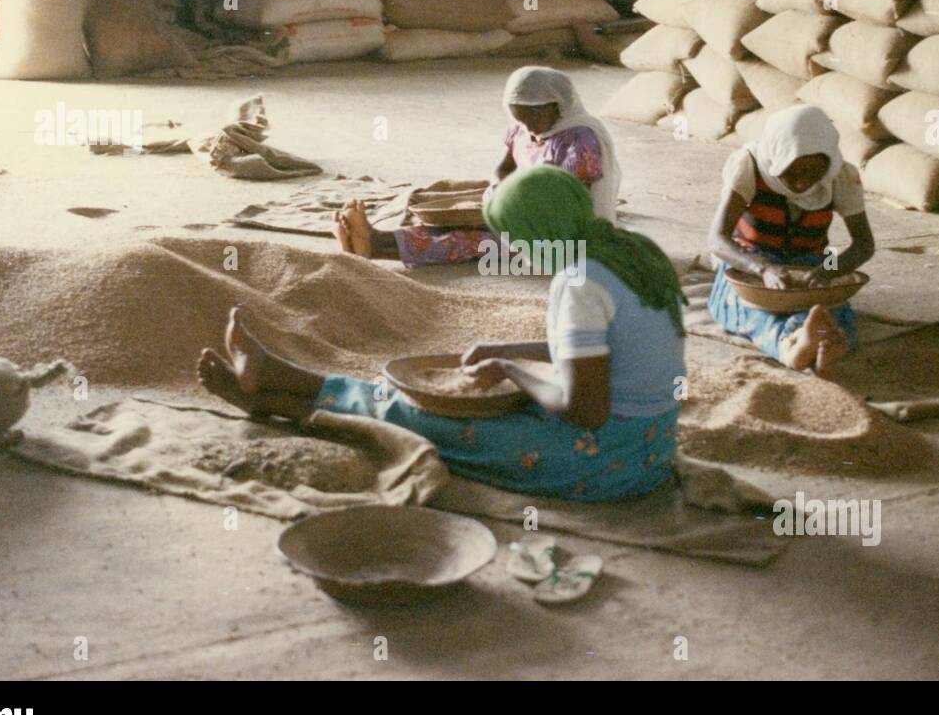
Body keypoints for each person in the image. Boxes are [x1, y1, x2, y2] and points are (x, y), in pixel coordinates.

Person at [198, 166, 685, 502]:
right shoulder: (630, 251)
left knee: (414, 416)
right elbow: (598, 357)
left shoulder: (578, 282)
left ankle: (275, 399)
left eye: (513, 237)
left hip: (608, 464)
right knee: (430, 405)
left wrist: (511, 368)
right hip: (652, 441)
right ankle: (276, 382)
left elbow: (585, 408)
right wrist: (504, 350)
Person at [335, 66, 621, 266]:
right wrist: (500, 192)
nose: (527, 125)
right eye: (519, 118)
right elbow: (505, 169)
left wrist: (514, 211)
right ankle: (377, 238)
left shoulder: (581, 138)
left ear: (559, 105)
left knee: (472, 241)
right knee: (449, 220)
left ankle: (382, 250)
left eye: (534, 116)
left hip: (559, 230)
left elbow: (572, 201)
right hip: (522, 208)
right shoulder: (522, 129)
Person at [706, 105, 875, 378]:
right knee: (756, 311)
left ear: (828, 164)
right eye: (792, 173)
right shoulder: (749, 165)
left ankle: (819, 343)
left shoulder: (840, 175)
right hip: (750, 264)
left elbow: (863, 244)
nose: (801, 184)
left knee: (833, 311)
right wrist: (763, 269)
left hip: (811, 262)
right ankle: (793, 348)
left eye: (813, 175)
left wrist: (828, 271)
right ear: (776, 160)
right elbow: (717, 239)